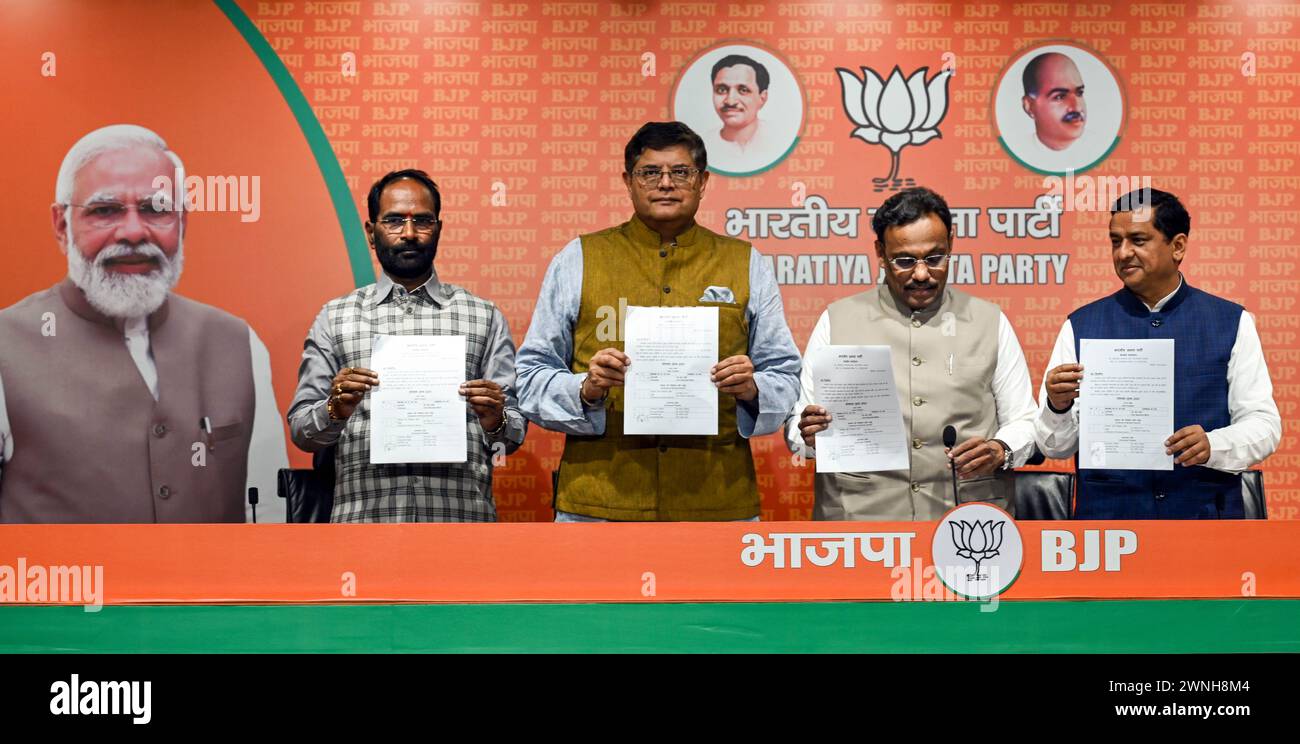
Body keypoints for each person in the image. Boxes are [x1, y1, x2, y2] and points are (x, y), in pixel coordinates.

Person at [0, 123, 287, 523]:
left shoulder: (238, 343)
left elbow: (270, 514)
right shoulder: (5, 347)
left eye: (156, 209)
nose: (134, 231)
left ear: (182, 224)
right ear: (62, 226)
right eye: (105, 210)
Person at [517, 121, 801, 522]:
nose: (665, 183)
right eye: (650, 172)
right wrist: (587, 387)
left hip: (717, 502)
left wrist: (754, 388)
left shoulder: (745, 262)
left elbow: (786, 376)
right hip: (598, 503)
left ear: (703, 181)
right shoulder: (578, 258)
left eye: (680, 172)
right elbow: (529, 377)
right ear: (628, 181)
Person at [786, 187, 1038, 520]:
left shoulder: (990, 322)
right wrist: (808, 435)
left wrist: (1001, 449)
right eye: (904, 261)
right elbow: (799, 424)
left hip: (967, 523)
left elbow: (1026, 421)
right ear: (879, 251)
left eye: (935, 258)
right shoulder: (836, 320)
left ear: (952, 244)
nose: (921, 274)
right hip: (859, 521)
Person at [287, 170, 525, 522]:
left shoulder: (483, 316)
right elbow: (301, 432)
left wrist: (495, 419)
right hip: (364, 525)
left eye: (423, 221)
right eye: (395, 221)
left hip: (461, 524)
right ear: (371, 233)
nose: (410, 233)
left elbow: (514, 432)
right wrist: (334, 410)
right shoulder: (336, 317)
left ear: (439, 229)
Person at [1035, 189, 1281, 519]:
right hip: (1110, 529)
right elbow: (1055, 446)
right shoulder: (1080, 326)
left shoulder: (1231, 322)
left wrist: (1213, 444)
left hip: (1205, 522)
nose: (1123, 253)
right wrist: (1057, 405)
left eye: (1138, 239)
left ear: (1178, 246)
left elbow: (1264, 425)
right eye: (1114, 241)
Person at [702, 54, 785, 171]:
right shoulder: (702, 146)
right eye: (721, 90)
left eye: (743, 90)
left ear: (762, 97)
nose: (730, 101)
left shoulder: (780, 141)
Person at [1021, 52, 1087, 152]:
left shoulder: (1099, 147)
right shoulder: (1022, 150)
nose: (1077, 107)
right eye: (1059, 97)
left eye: (1079, 93)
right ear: (1029, 106)